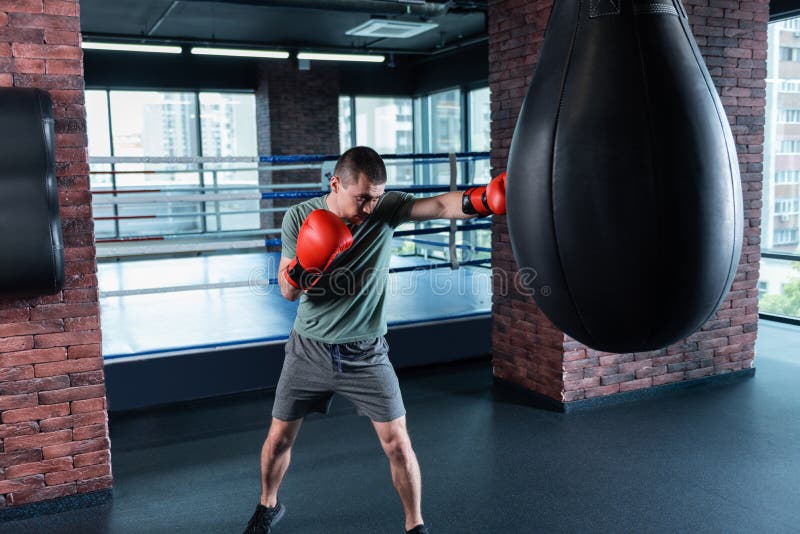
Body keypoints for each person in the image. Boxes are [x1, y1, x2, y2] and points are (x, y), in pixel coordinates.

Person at [243, 146, 506, 534]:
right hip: (308, 349)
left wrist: (480, 200)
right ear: (336, 184)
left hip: (366, 352)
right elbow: (286, 290)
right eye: (362, 198)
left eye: (376, 197)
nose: (369, 207)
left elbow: (437, 207)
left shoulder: (384, 208)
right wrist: (307, 262)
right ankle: (268, 504)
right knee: (279, 438)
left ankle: (415, 525)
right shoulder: (300, 216)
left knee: (398, 443)